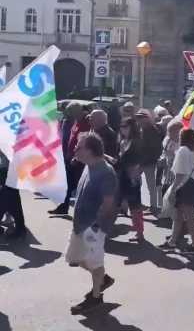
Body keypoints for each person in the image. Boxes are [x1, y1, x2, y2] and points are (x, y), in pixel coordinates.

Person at [65, 133, 118, 314]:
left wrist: (95, 228)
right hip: (80, 224)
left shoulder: (106, 173)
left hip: (93, 227)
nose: (75, 150)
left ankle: (96, 297)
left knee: (95, 262)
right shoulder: (89, 166)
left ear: (89, 150)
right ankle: (102, 279)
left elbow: (108, 203)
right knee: (74, 258)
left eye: (78, 147)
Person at [162, 129, 194, 253]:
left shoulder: (182, 150)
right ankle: (172, 242)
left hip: (185, 185)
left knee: (186, 216)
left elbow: (180, 174)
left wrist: (173, 190)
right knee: (180, 216)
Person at [51, 105, 91, 215]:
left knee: (80, 186)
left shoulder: (86, 123)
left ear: (76, 111)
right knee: (66, 185)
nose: (67, 114)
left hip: (79, 161)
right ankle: (63, 207)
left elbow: (84, 143)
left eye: (69, 112)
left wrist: (77, 157)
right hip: (69, 158)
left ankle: (85, 212)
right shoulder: (75, 122)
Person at [115, 117, 146, 241]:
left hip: (132, 177)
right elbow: (121, 160)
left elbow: (140, 160)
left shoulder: (137, 141)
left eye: (125, 127)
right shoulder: (122, 141)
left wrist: (137, 172)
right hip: (122, 175)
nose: (122, 129)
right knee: (115, 203)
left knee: (135, 206)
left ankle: (139, 233)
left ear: (132, 128)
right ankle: (103, 229)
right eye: (121, 127)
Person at [135, 110, 164, 216]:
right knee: (136, 182)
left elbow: (156, 148)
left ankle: (154, 207)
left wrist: (150, 159)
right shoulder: (141, 129)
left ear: (146, 118)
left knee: (151, 185)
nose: (138, 119)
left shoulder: (151, 130)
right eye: (138, 117)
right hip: (142, 161)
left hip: (148, 162)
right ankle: (140, 204)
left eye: (141, 117)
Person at [0, 151, 26, 238]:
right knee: (13, 200)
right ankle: (20, 228)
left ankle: (20, 228)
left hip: (7, 169)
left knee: (7, 199)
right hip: (9, 169)